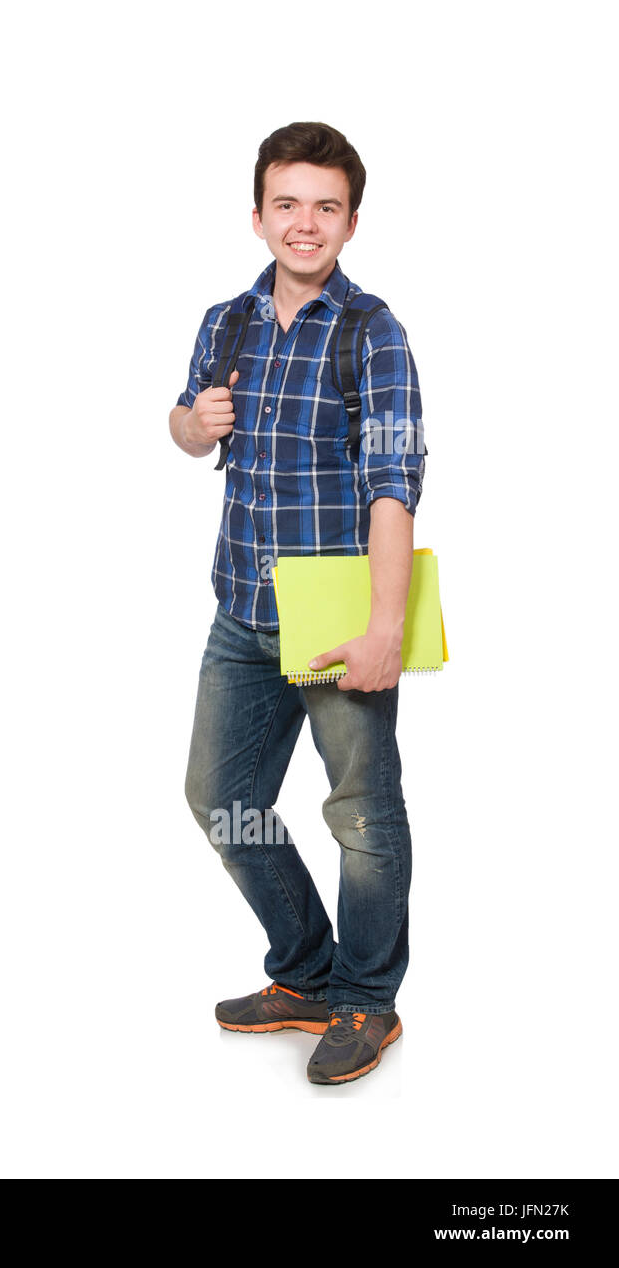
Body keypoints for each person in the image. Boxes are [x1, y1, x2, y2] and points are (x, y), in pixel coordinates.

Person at [169, 121, 424, 1085]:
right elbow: (185, 426)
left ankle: (366, 998)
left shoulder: (373, 330)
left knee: (362, 814)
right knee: (222, 799)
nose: (305, 223)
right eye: (288, 204)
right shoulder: (225, 322)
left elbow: (393, 484)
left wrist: (384, 629)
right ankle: (307, 968)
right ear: (257, 214)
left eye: (326, 207)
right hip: (241, 605)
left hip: (336, 613)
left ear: (352, 222)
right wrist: (193, 422)